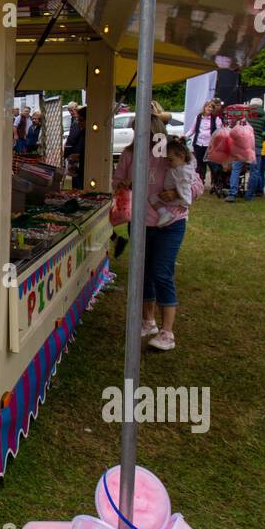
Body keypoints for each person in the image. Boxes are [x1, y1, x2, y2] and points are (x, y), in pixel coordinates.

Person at [111, 104, 190, 351]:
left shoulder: (171, 151)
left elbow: (194, 184)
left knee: (161, 272)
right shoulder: (129, 153)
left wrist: (175, 192)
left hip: (170, 223)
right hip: (141, 222)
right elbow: (117, 181)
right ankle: (148, 321)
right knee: (143, 271)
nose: (137, 134)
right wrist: (122, 182)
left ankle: (168, 332)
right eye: (136, 130)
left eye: (141, 129)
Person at [227, 98, 265, 202]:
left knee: (236, 169)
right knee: (255, 171)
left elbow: (235, 129)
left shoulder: (243, 114)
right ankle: (249, 195)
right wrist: (260, 140)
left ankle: (232, 194)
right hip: (256, 146)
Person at [152, 136, 194, 226]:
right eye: (166, 159)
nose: (168, 162)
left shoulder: (183, 171)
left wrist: (185, 203)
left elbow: (185, 187)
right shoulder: (178, 167)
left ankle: (164, 214)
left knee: (152, 198)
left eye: (170, 160)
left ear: (182, 157)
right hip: (173, 196)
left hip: (178, 199)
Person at [190, 99, 222, 183]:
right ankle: (200, 181)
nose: (210, 109)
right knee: (199, 164)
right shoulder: (198, 117)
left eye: (212, 107)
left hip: (209, 145)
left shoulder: (216, 119)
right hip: (198, 144)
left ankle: (216, 181)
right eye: (208, 106)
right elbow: (192, 130)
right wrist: (184, 136)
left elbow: (219, 132)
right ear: (205, 107)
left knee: (212, 164)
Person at [64, 106, 86, 186]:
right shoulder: (82, 131)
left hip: (85, 168)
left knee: (78, 183)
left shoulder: (86, 133)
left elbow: (72, 139)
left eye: (81, 120)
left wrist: (68, 152)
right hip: (79, 165)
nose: (79, 122)